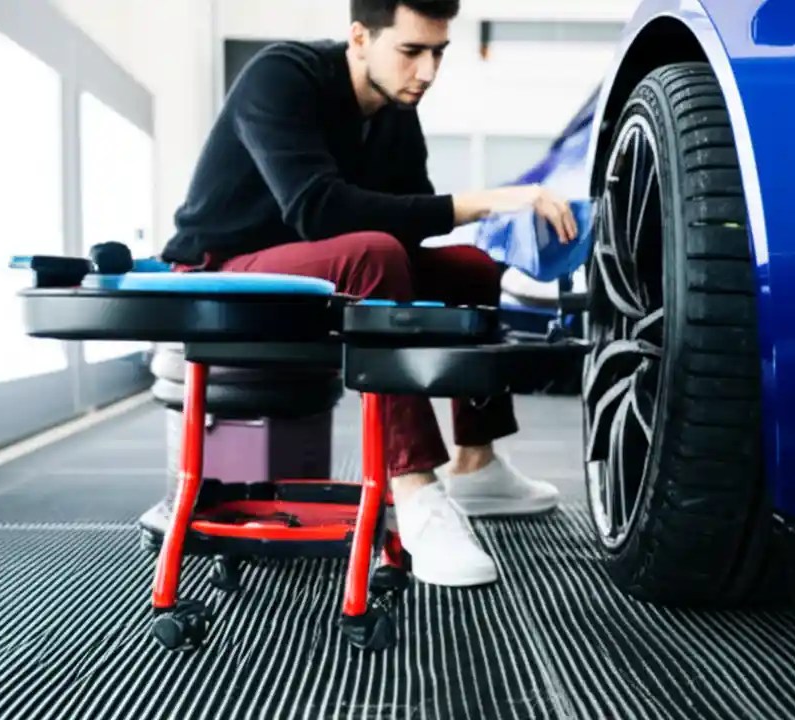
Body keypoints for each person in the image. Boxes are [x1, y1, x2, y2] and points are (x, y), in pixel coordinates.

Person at [159, 0, 579, 588]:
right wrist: (488, 198)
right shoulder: (280, 77)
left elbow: (416, 219)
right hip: (224, 272)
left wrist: (501, 224)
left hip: (314, 270)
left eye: (438, 53)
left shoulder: (394, 111)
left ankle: (476, 462)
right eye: (411, 51)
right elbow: (317, 211)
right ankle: (413, 491)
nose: (428, 72)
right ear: (360, 37)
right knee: (374, 255)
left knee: (473, 268)